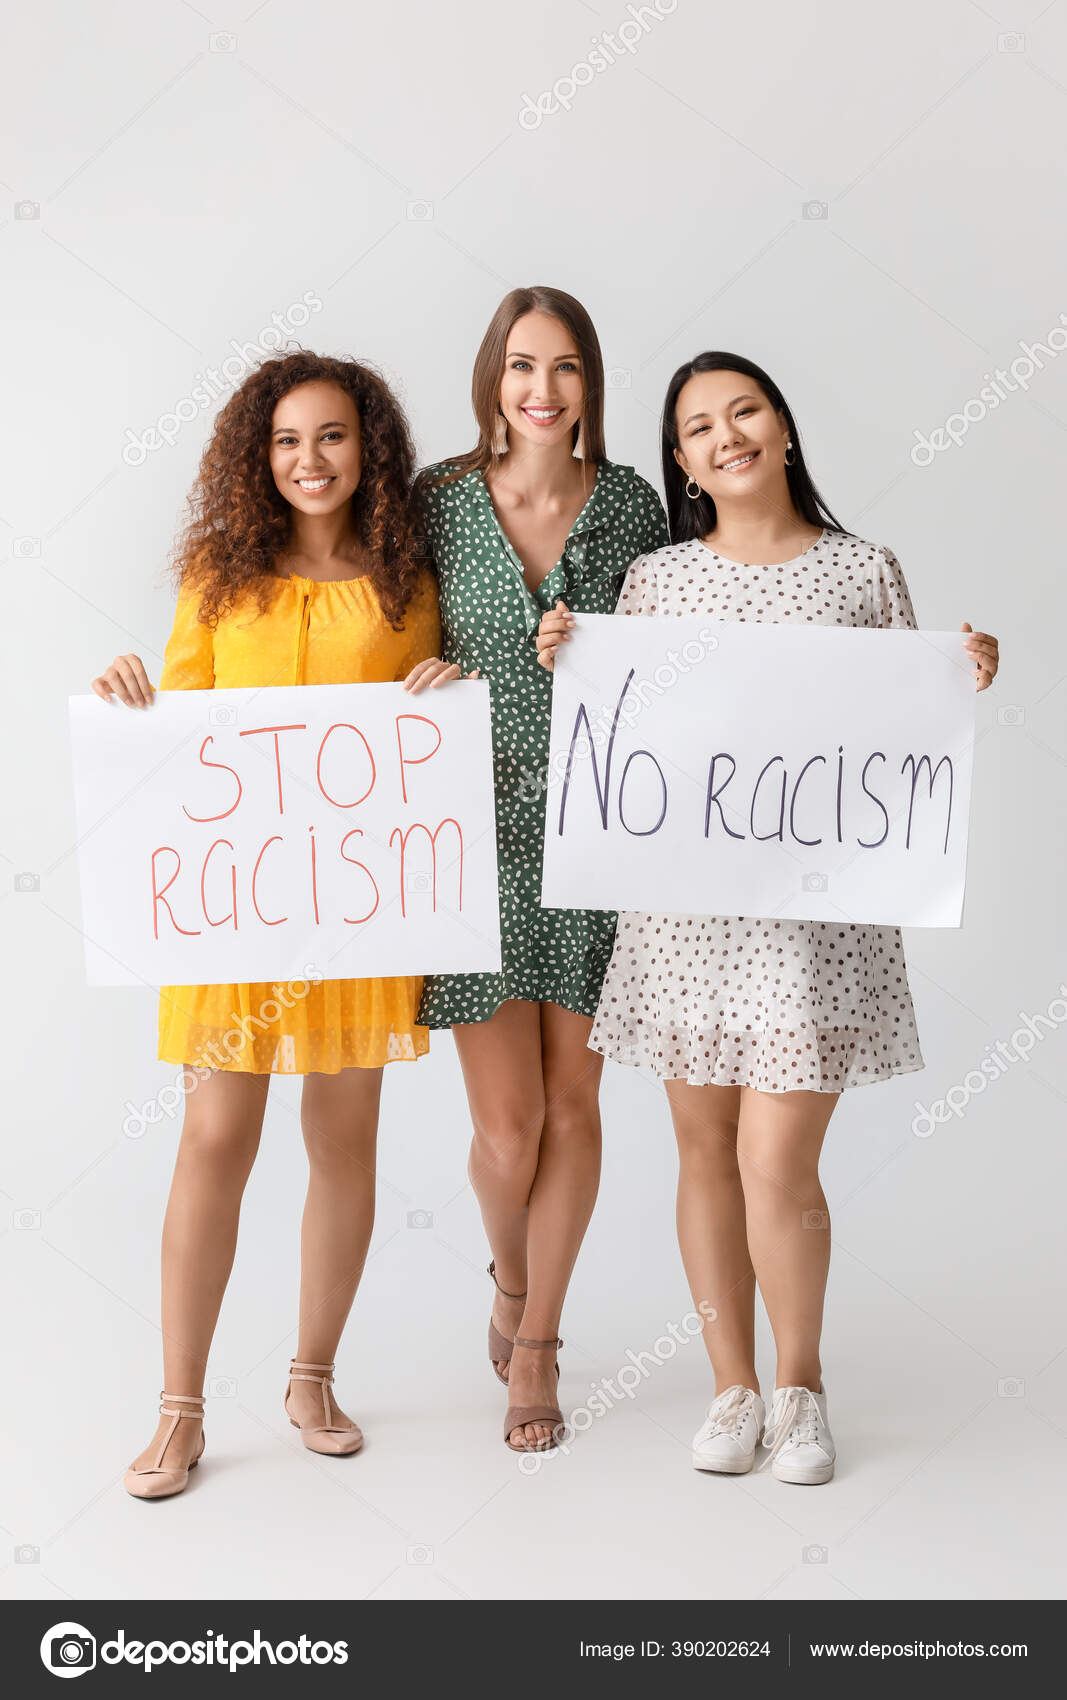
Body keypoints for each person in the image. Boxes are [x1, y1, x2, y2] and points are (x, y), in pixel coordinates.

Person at [536, 351, 1000, 1484]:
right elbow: (623, 737)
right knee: (702, 1149)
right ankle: (729, 1389)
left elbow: (896, 731)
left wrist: (963, 669)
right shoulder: (653, 579)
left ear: (783, 426)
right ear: (682, 461)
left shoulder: (859, 568)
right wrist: (568, 657)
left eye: (742, 411)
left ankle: (803, 1391)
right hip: (686, 918)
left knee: (773, 1159)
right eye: (695, 426)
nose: (723, 435)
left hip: (810, 929)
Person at [91, 352, 446, 1497]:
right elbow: (183, 729)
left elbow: (415, 736)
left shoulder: (404, 579)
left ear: (369, 449)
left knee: (342, 1139)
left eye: (332, 437)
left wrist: (443, 691)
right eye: (288, 441)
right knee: (212, 1140)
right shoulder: (216, 572)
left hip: (350, 912)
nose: (309, 460)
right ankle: (180, 1405)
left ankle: (310, 1373)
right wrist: (132, 700)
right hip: (231, 910)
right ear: (259, 455)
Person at [404, 286, 668, 1450]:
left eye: (564, 367)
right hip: (469, 840)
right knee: (508, 1129)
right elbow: (386, 636)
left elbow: (680, 663)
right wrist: (410, 678)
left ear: (587, 384)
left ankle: (541, 1342)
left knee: (577, 1105)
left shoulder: (630, 507)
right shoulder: (438, 502)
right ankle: (508, 1278)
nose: (543, 389)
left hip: (597, 838)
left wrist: (602, 654)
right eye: (522, 365)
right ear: (492, 378)